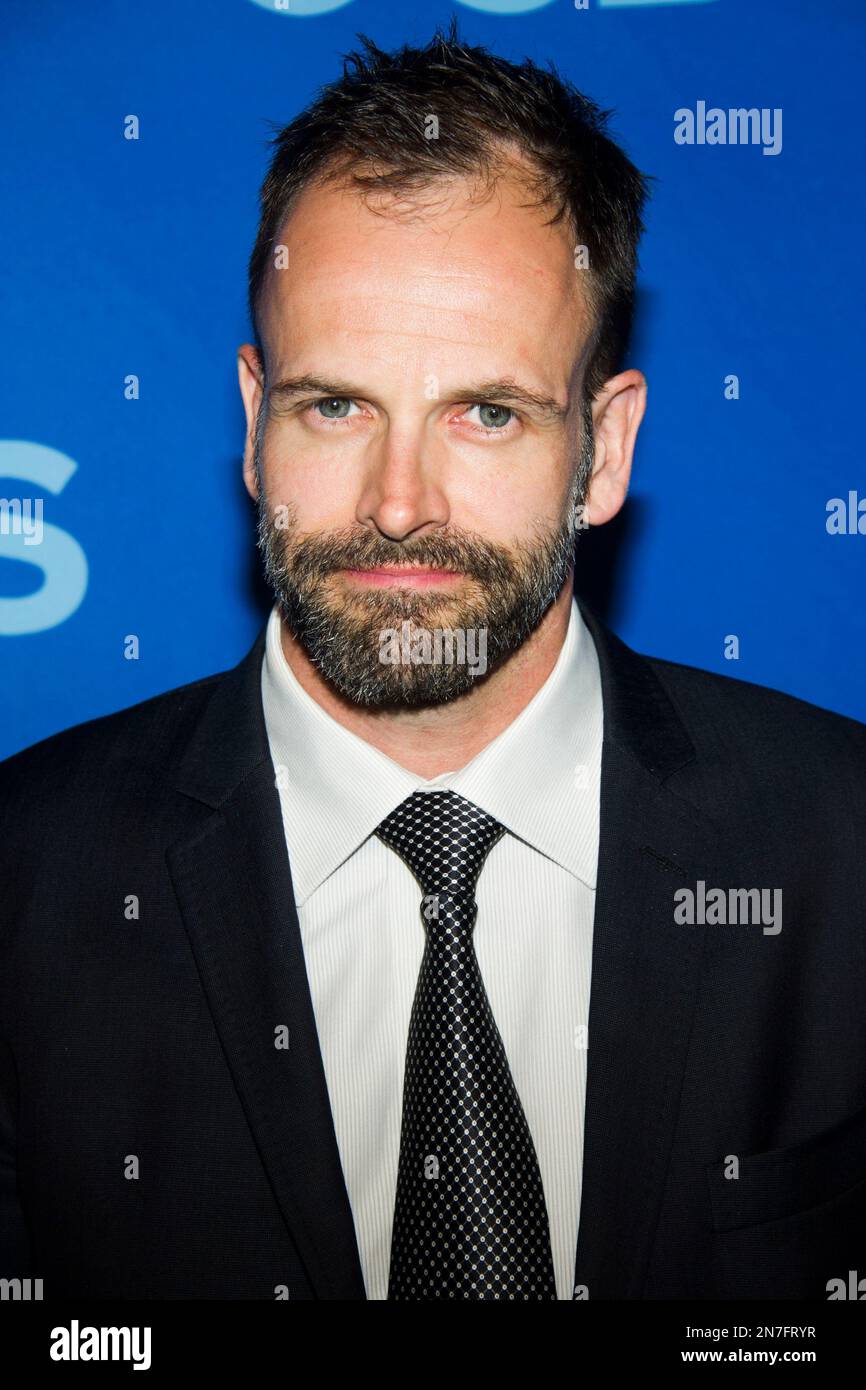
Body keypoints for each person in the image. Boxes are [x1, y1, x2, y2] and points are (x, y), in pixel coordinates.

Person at [2, 28, 865, 1302]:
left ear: (604, 448)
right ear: (253, 423)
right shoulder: (26, 881)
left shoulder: (840, 845)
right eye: (335, 405)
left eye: (486, 412)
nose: (397, 503)